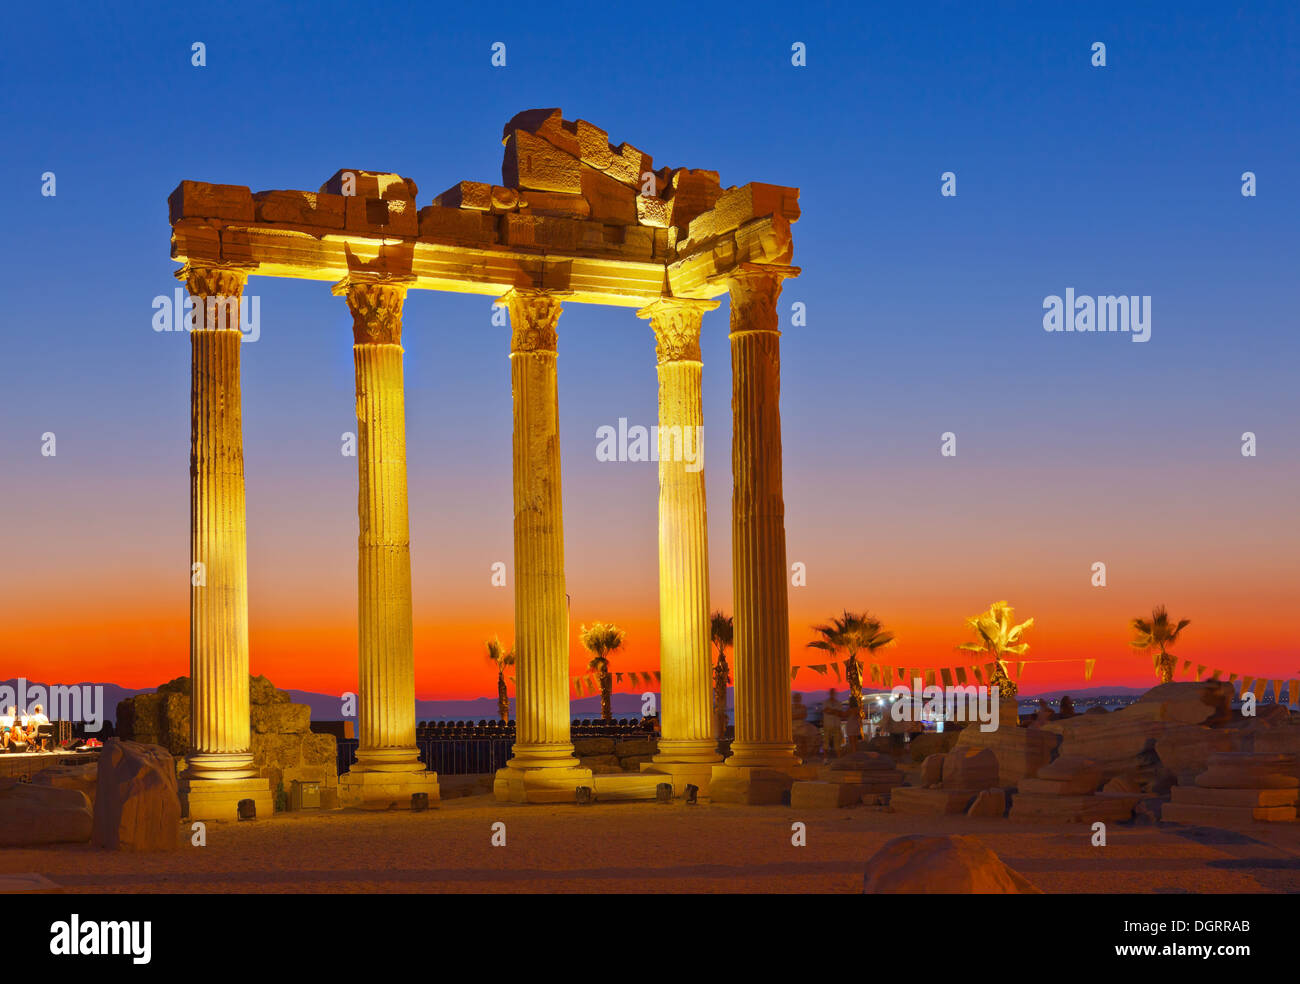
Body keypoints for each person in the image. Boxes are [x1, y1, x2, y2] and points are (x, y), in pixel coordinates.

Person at [821, 689, 844, 759]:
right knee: (826, 743)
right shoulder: (825, 702)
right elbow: (826, 711)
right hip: (828, 724)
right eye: (831, 692)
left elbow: (840, 713)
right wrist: (835, 712)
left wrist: (831, 711)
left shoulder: (838, 703)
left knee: (837, 743)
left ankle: (839, 758)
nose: (832, 694)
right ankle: (825, 759)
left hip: (836, 725)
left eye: (833, 693)